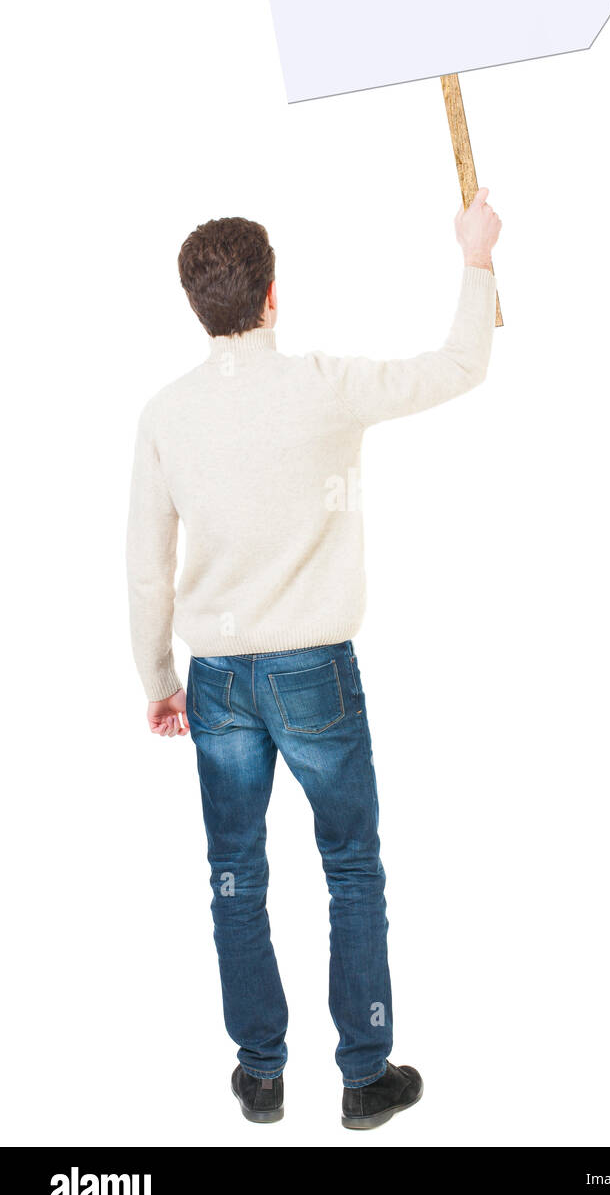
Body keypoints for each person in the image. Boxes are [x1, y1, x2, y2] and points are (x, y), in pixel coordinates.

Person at [126, 189, 501, 1129]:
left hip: (215, 681)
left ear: (197, 304)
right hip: (315, 674)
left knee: (233, 874)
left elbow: (146, 569)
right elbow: (459, 363)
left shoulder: (167, 414)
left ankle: (259, 1072)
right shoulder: (327, 386)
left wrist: (157, 680)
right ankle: (364, 1073)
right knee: (352, 869)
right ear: (273, 296)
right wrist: (474, 253)